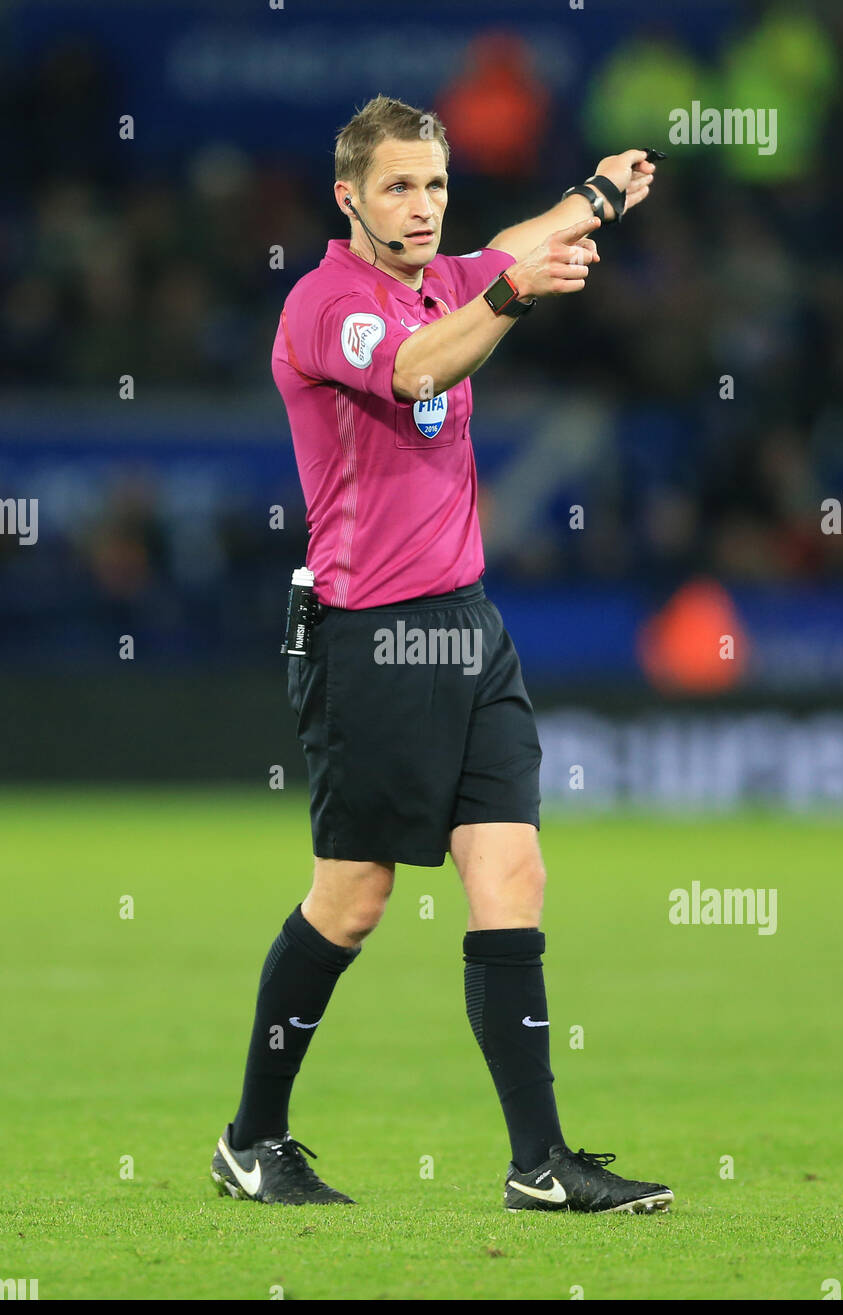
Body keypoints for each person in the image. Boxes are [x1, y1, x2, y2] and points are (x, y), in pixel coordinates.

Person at [211, 95, 672, 1215]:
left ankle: (539, 1163)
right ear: (348, 198)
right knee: (353, 897)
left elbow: (500, 250)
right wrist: (514, 292)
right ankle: (251, 1138)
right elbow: (421, 367)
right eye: (398, 188)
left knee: (510, 871)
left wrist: (595, 198)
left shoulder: (441, 272)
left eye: (434, 186)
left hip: (468, 623)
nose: (421, 209)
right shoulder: (329, 306)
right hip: (366, 635)